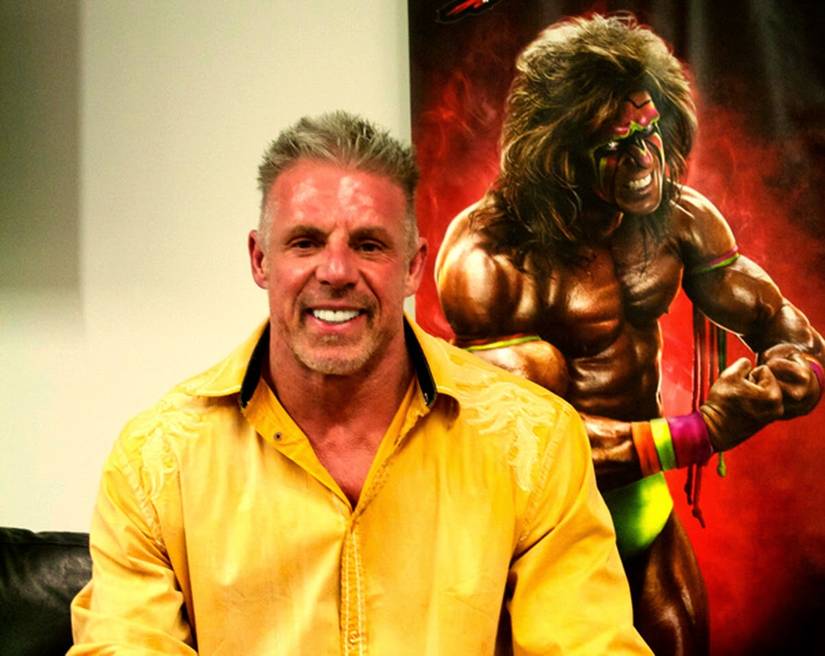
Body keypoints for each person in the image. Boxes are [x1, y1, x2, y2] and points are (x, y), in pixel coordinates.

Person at [69, 111, 651, 654]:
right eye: (305, 242)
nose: (337, 272)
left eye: (369, 245)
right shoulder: (156, 462)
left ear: (413, 267)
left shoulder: (534, 443)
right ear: (260, 259)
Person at [434, 14, 825, 656]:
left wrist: (794, 375)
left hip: (644, 513)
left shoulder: (678, 219)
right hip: (540, 536)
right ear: (560, 150)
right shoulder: (491, 258)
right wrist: (702, 431)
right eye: (617, 144)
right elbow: (520, 446)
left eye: (650, 131)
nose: (646, 159)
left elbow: (783, 325)